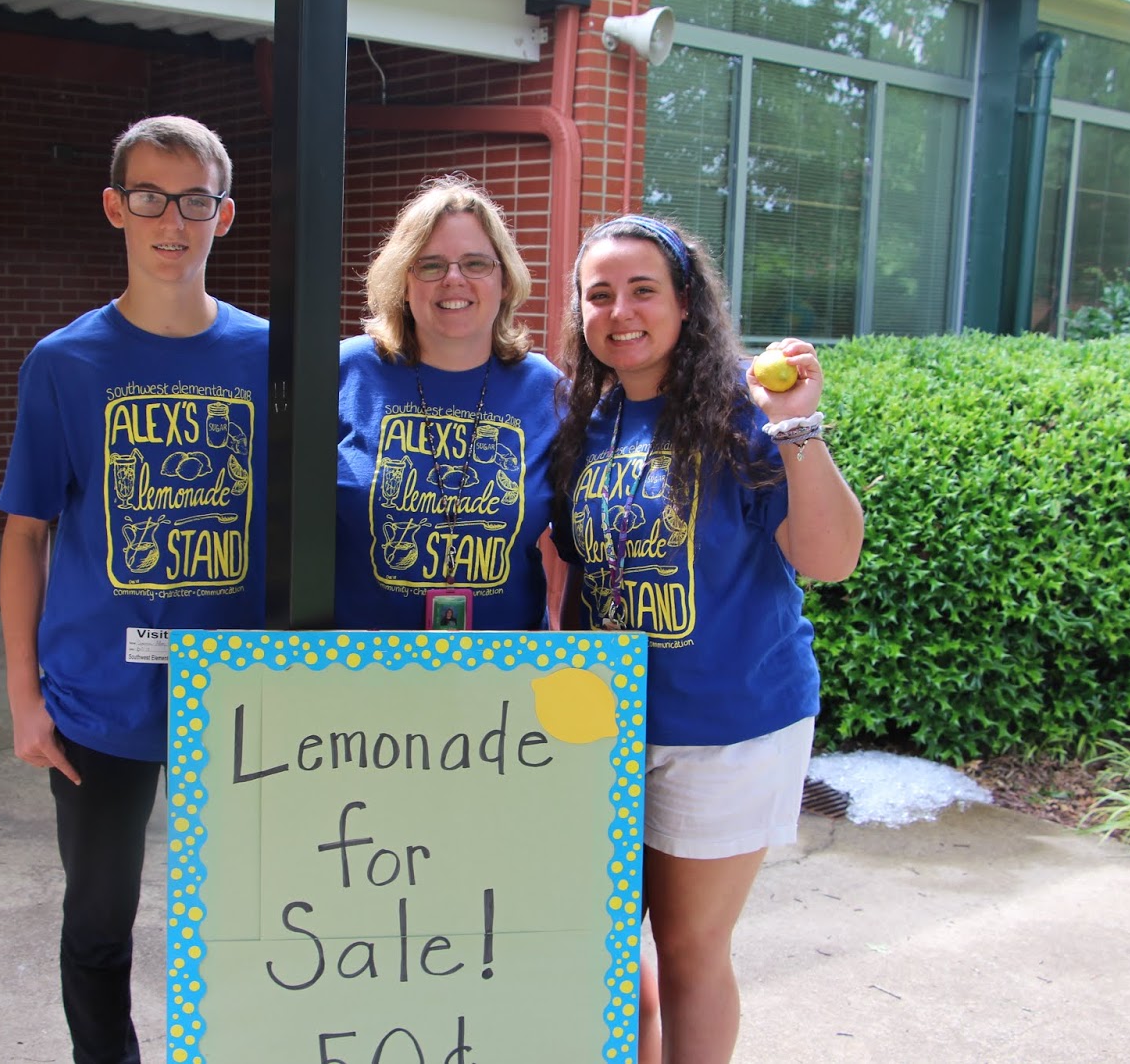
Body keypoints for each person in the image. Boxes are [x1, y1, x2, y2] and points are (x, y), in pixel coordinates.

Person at [549, 214, 864, 1063]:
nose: (621, 311)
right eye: (599, 294)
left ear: (686, 303)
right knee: (601, 954)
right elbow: (568, 567)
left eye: (643, 289)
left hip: (728, 725)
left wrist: (799, 425)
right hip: (600, 724)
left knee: (688, 954)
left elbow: (829, 558)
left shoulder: (742, 408)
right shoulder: (586, 416)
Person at [0, 115, 268, 1064]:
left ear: (223, 215)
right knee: (100, 920)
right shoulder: (63, 363)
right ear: (116, 207)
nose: (172, 220)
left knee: (249, 915)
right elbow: (25, 537)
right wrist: (25, 699)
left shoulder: (274, 360)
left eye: (195, 200)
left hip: (238, 696)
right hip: (96, 700)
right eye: (150, 197)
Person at [337, 174, 563, 631]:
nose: (453, 280)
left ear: (504, 280)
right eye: (430, 265)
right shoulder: (345, 372)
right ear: (403, 281)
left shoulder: (548, 390)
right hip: (358, 673)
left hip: (503, 672)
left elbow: (584, 539)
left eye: (476, 264)